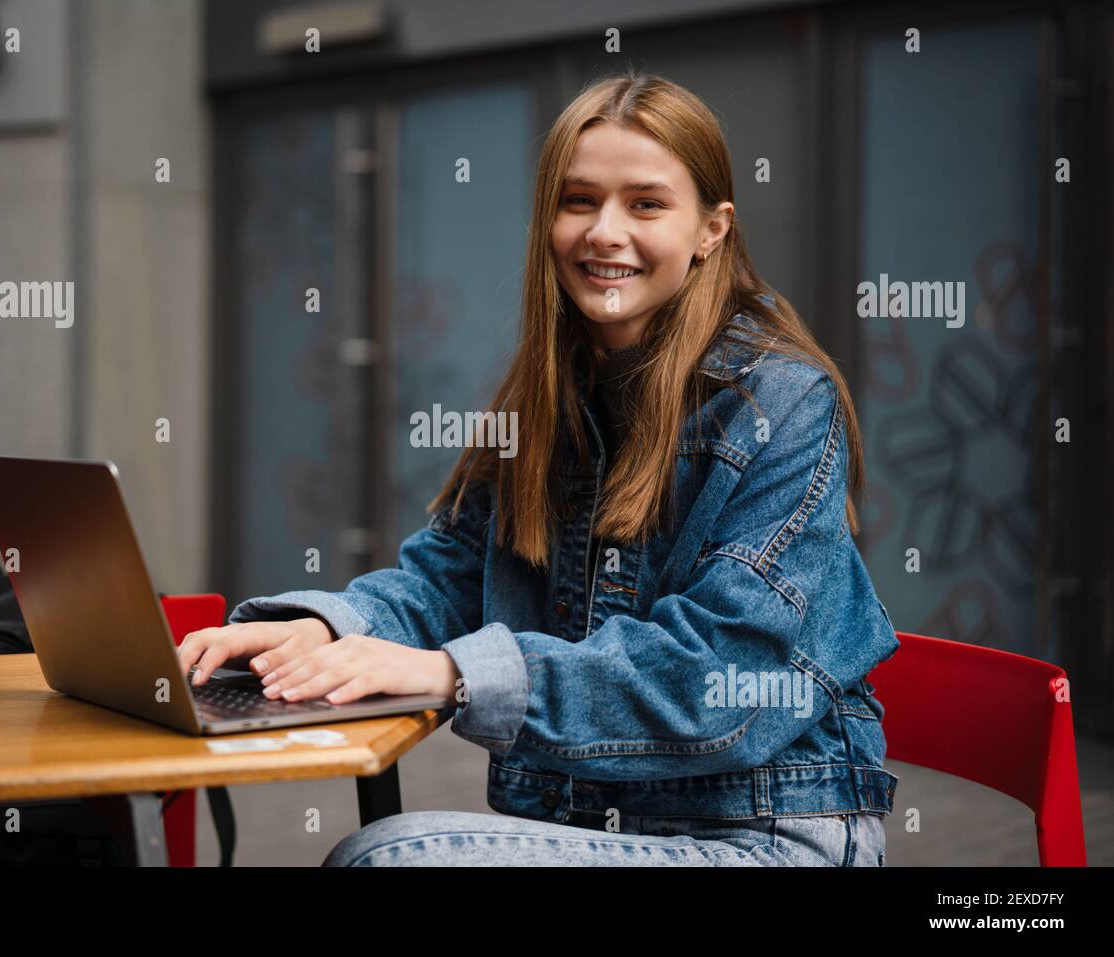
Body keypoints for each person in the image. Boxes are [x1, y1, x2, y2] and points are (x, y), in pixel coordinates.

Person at [179, 70, 897, 867]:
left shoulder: (786, 404)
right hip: (594, 825)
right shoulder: (549, 392)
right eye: (579, 200)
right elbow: (450, 576)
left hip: (766, 835)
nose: (604, 232)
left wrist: (451, 671)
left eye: (646, 204)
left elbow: (715, 683)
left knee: (390, 859)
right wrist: (320, 629)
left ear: (711, 229)